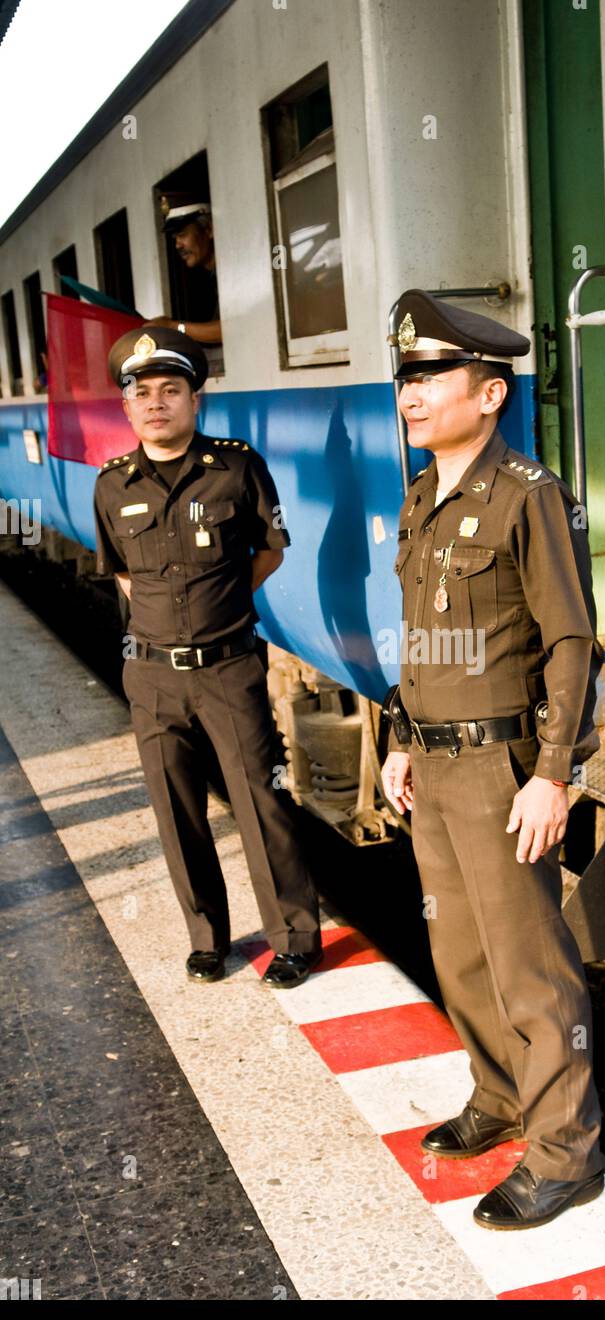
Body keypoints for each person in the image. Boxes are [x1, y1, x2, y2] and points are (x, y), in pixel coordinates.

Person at [380, 289, 605, 1231]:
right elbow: (421, 635)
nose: (411, 392)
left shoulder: (527, 495)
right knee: (462, 955)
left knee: (530, 968)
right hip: (433, 766)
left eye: (431, 375)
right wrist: (396, 741)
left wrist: (555, 772)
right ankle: (501, 1095)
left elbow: (569, 639)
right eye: (406, 376)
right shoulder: (424, 494)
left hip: (502, 770)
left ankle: (565, 1155)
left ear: (489, 392)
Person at [93, 324, 321, 987]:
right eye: (143, 394)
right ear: (128, 407)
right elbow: (125, 574)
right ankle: (206, 938)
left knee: (262, 803)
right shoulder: (112, 484)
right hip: (152, 676)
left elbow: (269, 551)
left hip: (228, 668)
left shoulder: (238, 466)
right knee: (175, 808)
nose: (156, 403)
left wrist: (219, 608)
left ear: (195, 400)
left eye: (171, 390)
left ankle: (294, 939)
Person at [147, 195, 222, 344]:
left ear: (209, 229)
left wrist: (173, 326)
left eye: (182, 235)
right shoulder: (211, 277)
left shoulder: (232, 273)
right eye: (175, 238)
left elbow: (227, 329)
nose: (178, 245)